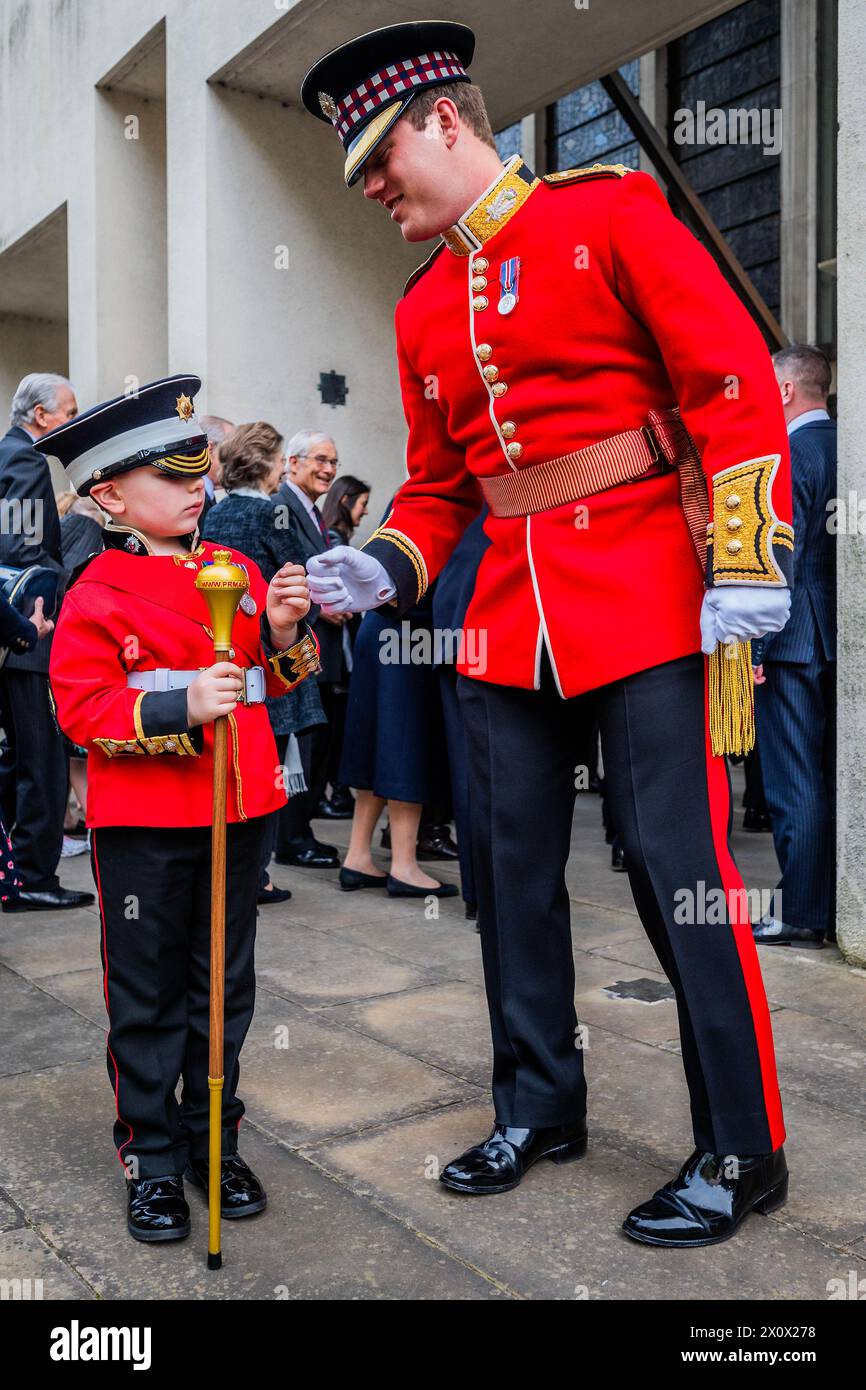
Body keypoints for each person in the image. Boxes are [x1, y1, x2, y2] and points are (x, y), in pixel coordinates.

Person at [301, 21, 795, 1248]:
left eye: (377, 159)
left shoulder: (609, 213)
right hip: (501, 621)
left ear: (442, 123)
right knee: (506, 878)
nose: (371, 188)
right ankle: (538, 1103)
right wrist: (381, 563)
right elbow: (437, 485)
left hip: (642, 591)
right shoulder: (421, 313)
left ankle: (741, 1145)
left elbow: (726, 377)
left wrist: (745, 556)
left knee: (678, 875)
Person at [45, 375, 319, 1244]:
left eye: (196, 465)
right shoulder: (95, 589)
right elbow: (79, 709)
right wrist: (177, 707)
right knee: (148, 991)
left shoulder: (234, 569)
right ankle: (152, 1156)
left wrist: (278, 634)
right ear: (108, 494)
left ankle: (214, 1141)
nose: (194, 482)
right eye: (168, 472)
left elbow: (275, 682)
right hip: (146, 825)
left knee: (222, 989)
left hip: (236, 811)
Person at [200, 421, 327, 903]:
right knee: (274, 764)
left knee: (238, 762)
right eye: (279, 462)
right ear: (269, 464)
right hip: (272, 647)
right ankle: (260, 871)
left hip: (228, 645)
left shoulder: (215, 511)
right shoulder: (272, 512)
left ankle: (241, 868)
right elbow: (299, 579)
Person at [752, 344, 837, 950]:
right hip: (838, 642)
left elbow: (778, 559)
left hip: (792, 643)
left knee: (794, 782)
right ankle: (827, 902)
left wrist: (754, 652)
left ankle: (801, 911)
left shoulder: (792, 453)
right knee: (828, 778)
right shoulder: (848, 449)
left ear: (783, 392)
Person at [0, 372, 94, 912]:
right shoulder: (28, 459)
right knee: (43, 761)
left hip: (12, 632)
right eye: (68, 410)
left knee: (19, 758)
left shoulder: (8, 453)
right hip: (28, 633)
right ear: (40, 416)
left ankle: (16, 869)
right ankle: (32, 876)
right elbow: (23, 548)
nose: (74, 420)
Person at [271, 432, 345, 867]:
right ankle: (291, 838)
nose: (329, 470)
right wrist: (322, 606)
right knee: (297, 745)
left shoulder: (312, 511)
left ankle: (299, 831)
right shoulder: (283, 505)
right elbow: (281, 571)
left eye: (334, 462)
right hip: (297, 640)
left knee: (313, 744)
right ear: (292, 462)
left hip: (321, 643)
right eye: (321, 460)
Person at [318, 474, 370, 818]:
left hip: (335, 652)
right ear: (345, 501)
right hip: (335, 653)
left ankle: (331, 793)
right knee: (332, 732)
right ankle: (332, 794)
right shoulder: (335, 542)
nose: (365, 512)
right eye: (362, 503)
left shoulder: (330, 536)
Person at [198, 414, 234, 522]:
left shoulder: (206, 496)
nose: (237, 459)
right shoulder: (196, 499)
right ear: (210, 450)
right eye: (232, 450)